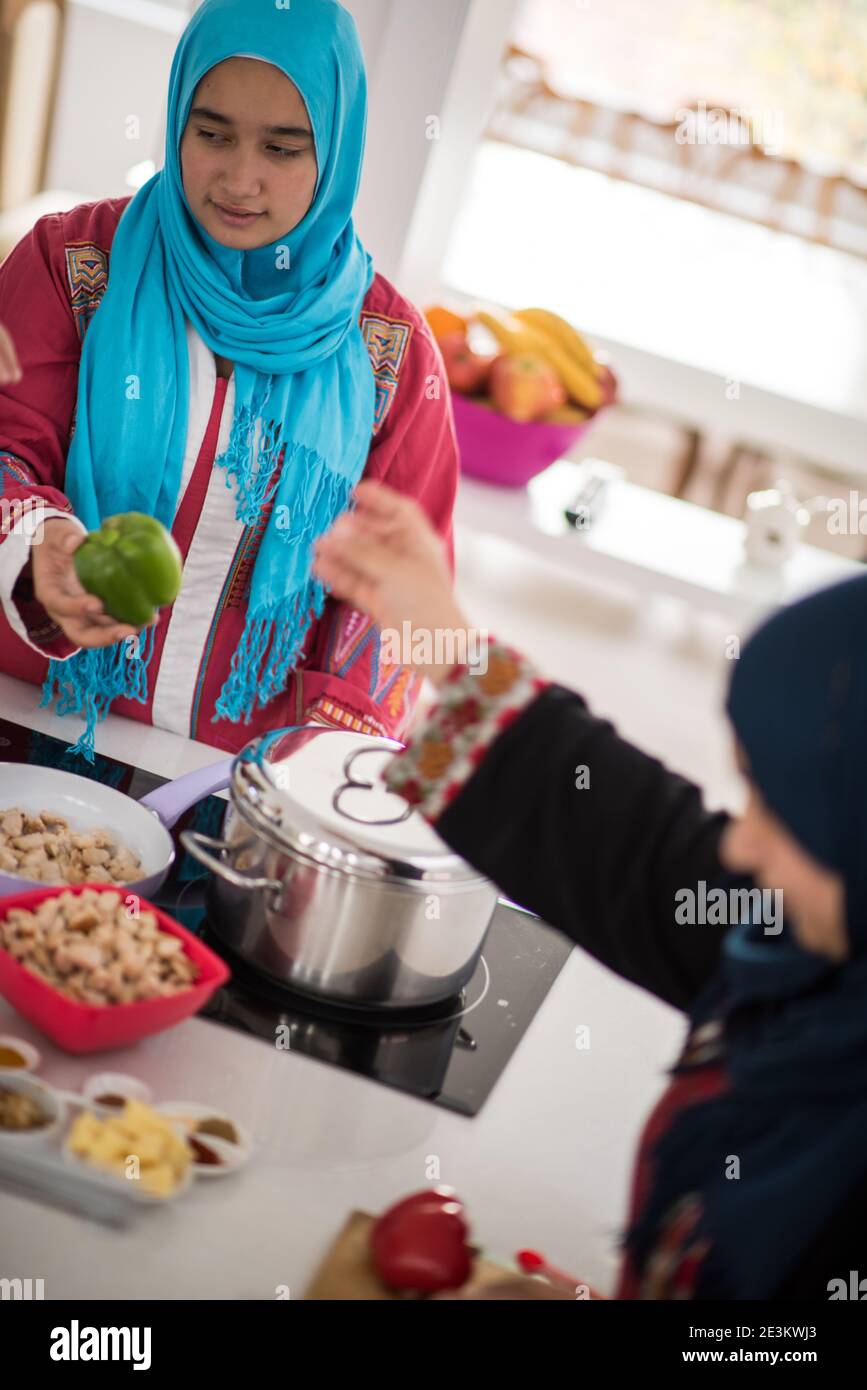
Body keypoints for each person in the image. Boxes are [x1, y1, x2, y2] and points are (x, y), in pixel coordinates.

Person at [313, 480, 867, 1300]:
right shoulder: (811, 947)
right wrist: (438, 636)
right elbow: (638, 848)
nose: (742, 847)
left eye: (781, 817)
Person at [0, 0, 457, 759]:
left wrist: (316, 772)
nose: (239, 179)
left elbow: (398, 602)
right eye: (212, 134)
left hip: (235, 781)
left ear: (336, 150)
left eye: (283, 148)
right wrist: (35, 544)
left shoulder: (396, 358)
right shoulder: (70, 262)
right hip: (25, 719)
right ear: (177, 117)